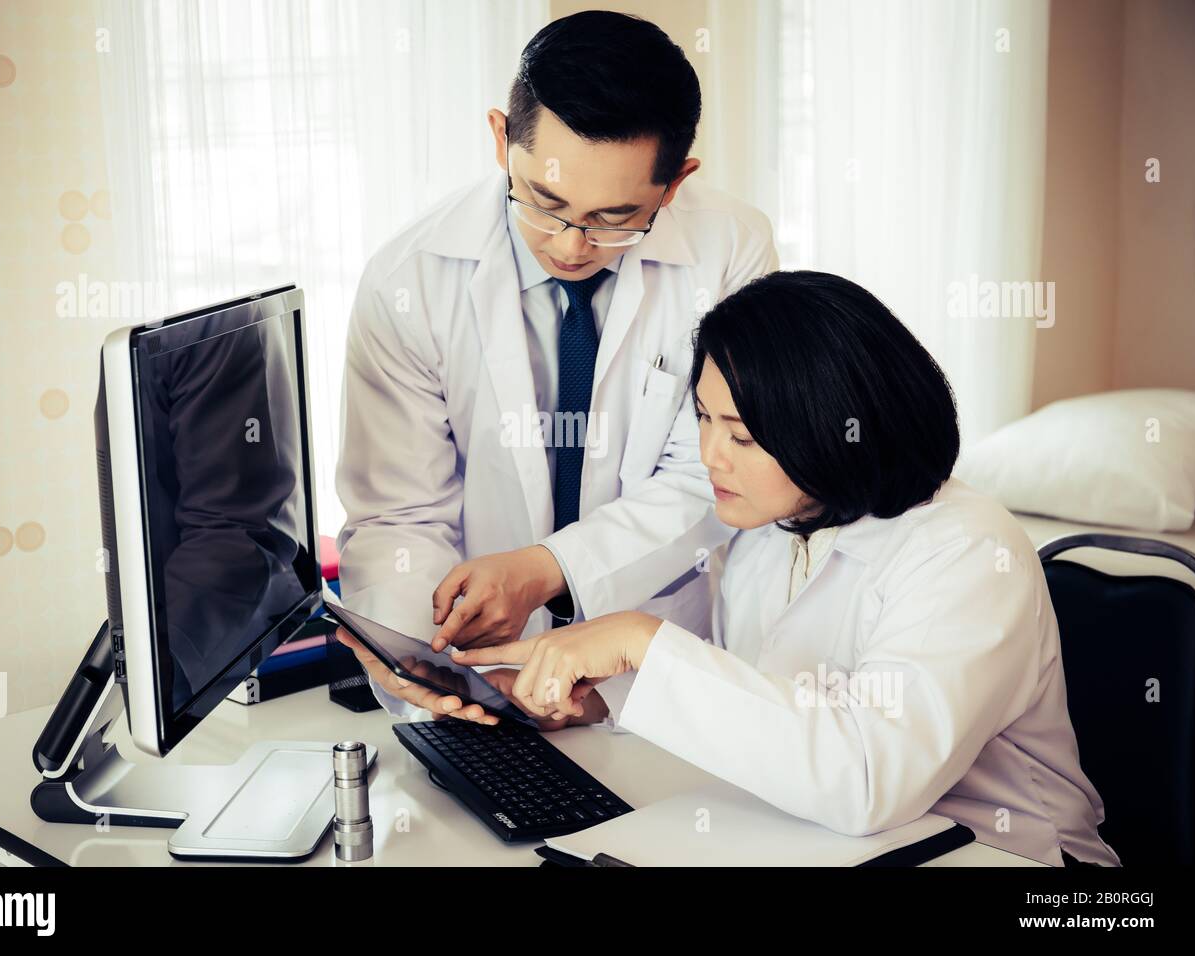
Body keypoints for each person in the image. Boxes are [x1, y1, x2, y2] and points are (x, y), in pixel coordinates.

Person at [453, 270, 1121, 866]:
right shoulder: (777, 524)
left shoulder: (969, 550)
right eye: (705, 419)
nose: (711, 455)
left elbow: (866, 776)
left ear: (834, 427)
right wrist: (602, 697)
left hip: (1005, 856)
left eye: (742, 435)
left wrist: (641, 641)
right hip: (825, 840)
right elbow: (764, 696)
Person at [336, 11, 777, 725]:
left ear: (675, 185)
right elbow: (398, 510)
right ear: (500, 140)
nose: (572, 246)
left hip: (651, 679)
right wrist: (418, 649)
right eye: (544, 202)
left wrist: (547, 571)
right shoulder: (406, 279)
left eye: (615, 217)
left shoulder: (732, 249)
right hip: (471, 683)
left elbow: (715, 476)